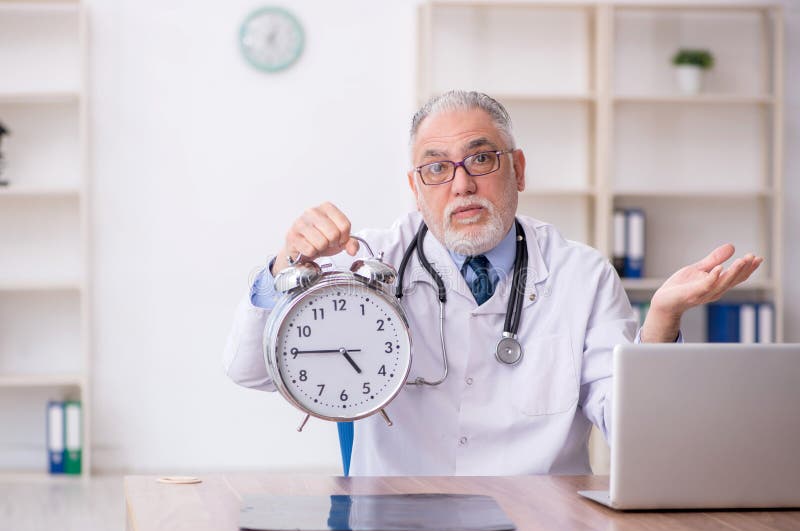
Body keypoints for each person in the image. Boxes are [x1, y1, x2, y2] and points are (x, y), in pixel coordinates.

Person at [223, 90, 762, 476]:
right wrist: (282, 267)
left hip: (543, 522)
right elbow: (248, 370)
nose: (461, 184)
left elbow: (641, 436)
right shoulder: (366, 260)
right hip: (400, 522)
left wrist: (662, 323)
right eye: (437, 168)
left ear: (518, 170)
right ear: (416, 188)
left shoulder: (582, 275)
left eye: (481, 158)